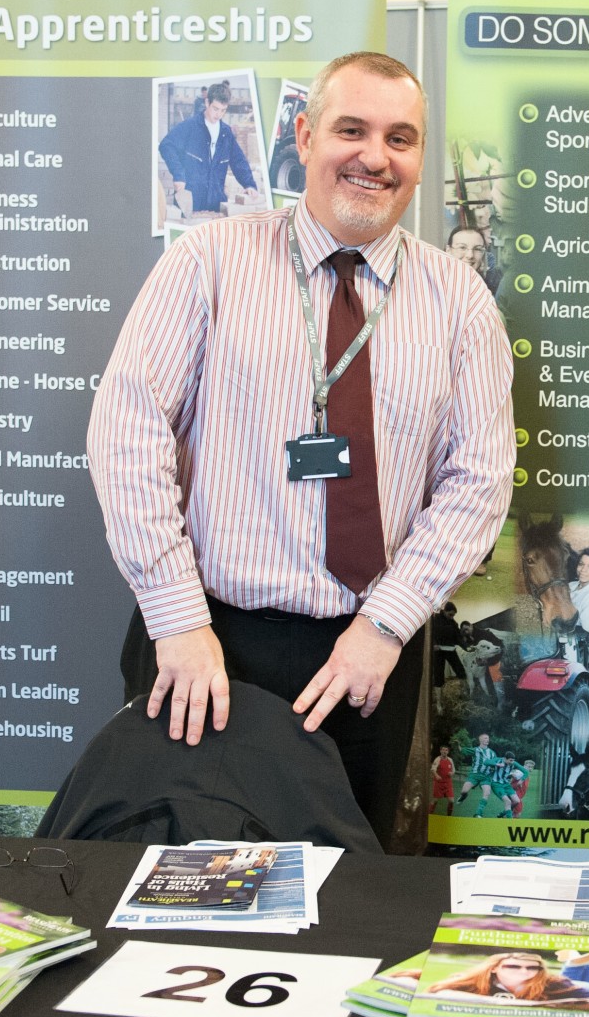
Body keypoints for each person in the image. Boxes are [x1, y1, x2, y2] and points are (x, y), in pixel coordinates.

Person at [89, 53, 515, 846]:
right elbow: (127, 433)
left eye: (401, 138)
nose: (375, 157)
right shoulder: (208, 263)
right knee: (182, 896)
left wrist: (383, 628)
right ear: (304, 134)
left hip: (370, 654)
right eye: (351, 130)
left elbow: (478, 485)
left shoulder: (459, 302)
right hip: (210, 644)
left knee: (349, 899)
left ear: (418, 160)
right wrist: (177, 621)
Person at [157, 80, 261, 215]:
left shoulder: (226, 133)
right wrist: (178, 175)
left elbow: (238, 160)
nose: (218, 115)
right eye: (215, 109)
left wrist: (249, 184)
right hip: (190, 202)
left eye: (223, 110)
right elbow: (166, 145)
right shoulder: (190, 126)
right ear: (207, 103)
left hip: (215, 203)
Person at [425, 951, 589, 1007]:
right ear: (494, 969)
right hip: (563, 983)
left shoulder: (554, 984)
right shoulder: (474, 981)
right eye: (513, 966)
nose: (523, 972)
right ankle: (575, 963)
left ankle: (575, 964)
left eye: (531, 967)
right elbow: (436, 991)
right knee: (580, 968)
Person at [446, 224, 501, 294]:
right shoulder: (434, 285)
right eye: (462, 247)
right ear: (448, 250)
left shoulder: (489, 289)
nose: (470, 255)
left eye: (477, 249)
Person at [430, 744, 455, 815]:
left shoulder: (450, 760)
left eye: (446, 750)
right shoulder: (437, 759)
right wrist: (436, 775)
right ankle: (429, 815)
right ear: (440, 751)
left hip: (448, 783)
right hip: (439, 783)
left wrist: (452, 773)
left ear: (448, 752)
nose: (444, 751)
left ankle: (448, 817)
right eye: (443, 750)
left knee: (451, 801)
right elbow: (433, 769)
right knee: (435, 800)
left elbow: (453, 770)